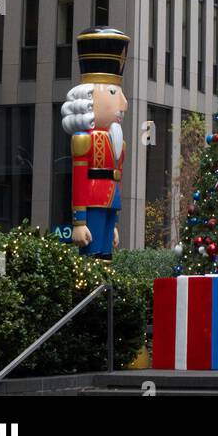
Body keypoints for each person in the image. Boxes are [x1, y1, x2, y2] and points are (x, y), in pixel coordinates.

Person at [60, 22, 130, 259]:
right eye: (113, 93)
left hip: (111, 203)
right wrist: (79, 221)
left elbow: (116, 178)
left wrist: (116, 222)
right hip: (91, 202)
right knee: (92, 255)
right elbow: (80, 180)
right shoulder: (83, 139)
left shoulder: (118, 141)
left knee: (106, 256)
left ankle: (104, 291)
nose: (123, 104)